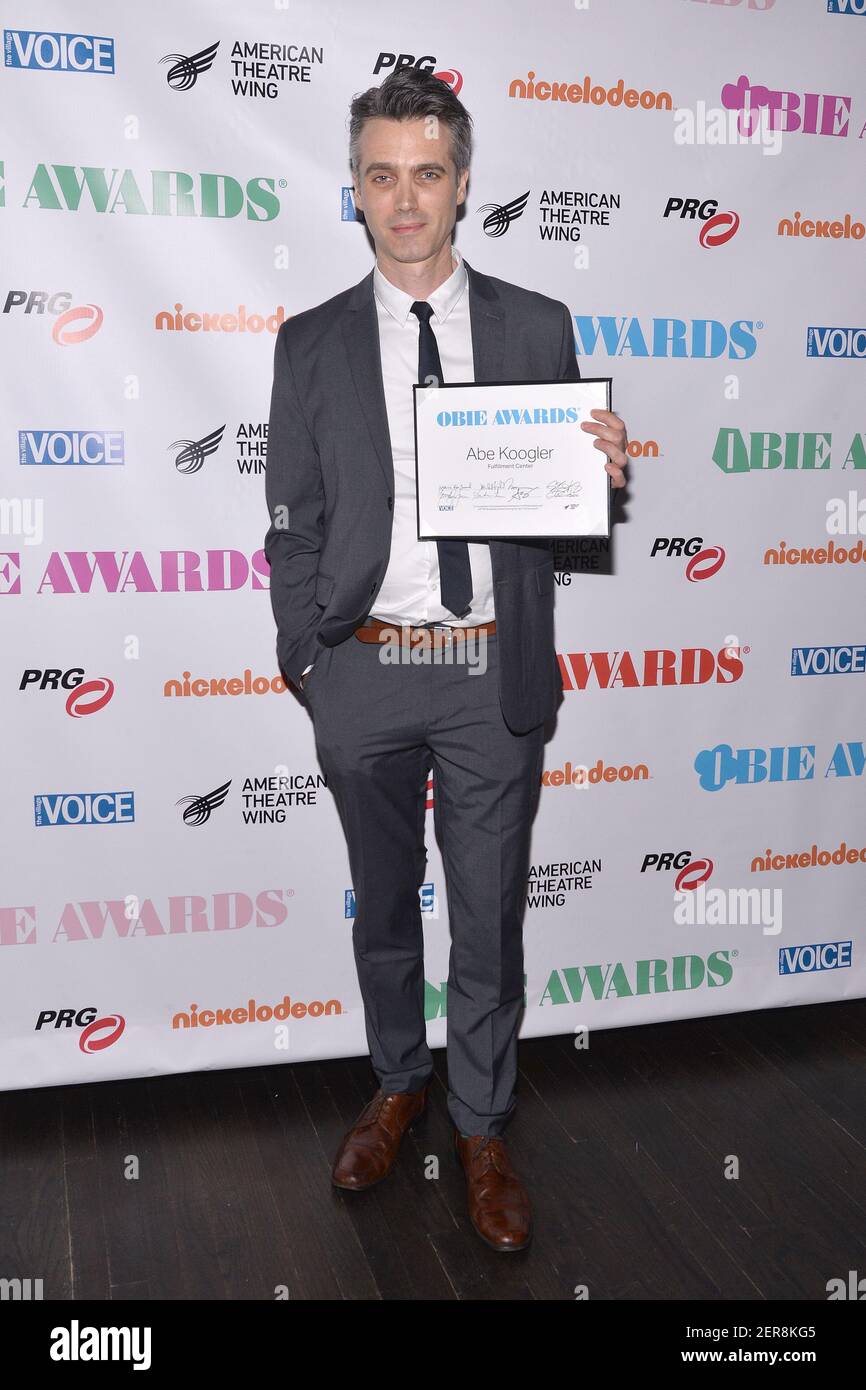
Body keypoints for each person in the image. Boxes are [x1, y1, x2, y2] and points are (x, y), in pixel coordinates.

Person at [264, 66, 628, 1252]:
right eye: (382, 175)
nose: (405, 197)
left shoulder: (533, 326)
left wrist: (596, 471)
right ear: (355, 192)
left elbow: (560, 516)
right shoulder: (309, 342)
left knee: (486, 915)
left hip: (490, 673)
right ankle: (395, 1080)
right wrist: (306, 660)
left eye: (428, 172)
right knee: (383, 911)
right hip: (361, 667)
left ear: (462, 185)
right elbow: (293, 521)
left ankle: (479, 1123)